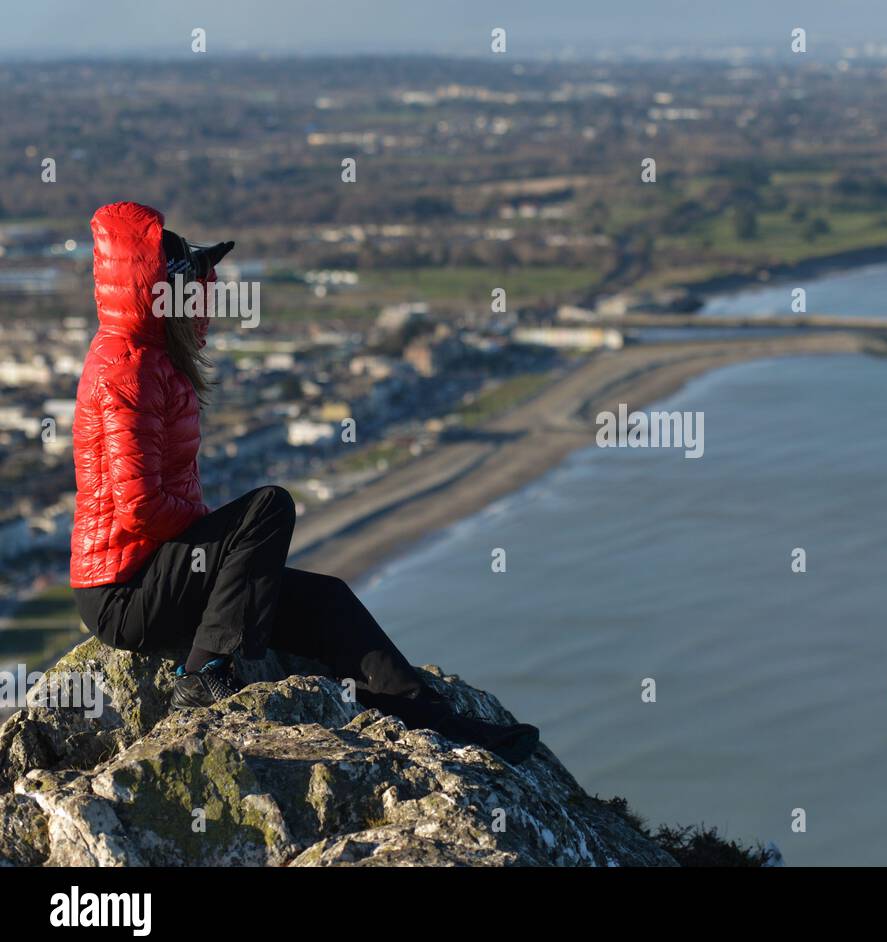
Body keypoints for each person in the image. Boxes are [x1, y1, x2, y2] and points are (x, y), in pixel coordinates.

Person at [69, 201, 539, 765]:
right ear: (152, 290)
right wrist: (220, 546)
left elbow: (184, 325)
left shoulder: (152, 355)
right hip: (123, 592)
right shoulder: (127, 368)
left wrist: (202, 273)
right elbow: (140, 507)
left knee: (327, 601)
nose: (193, 293)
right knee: (268, 508)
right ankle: (203, 673)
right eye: (182, 282)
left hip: (161, 571)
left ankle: (439, 724)